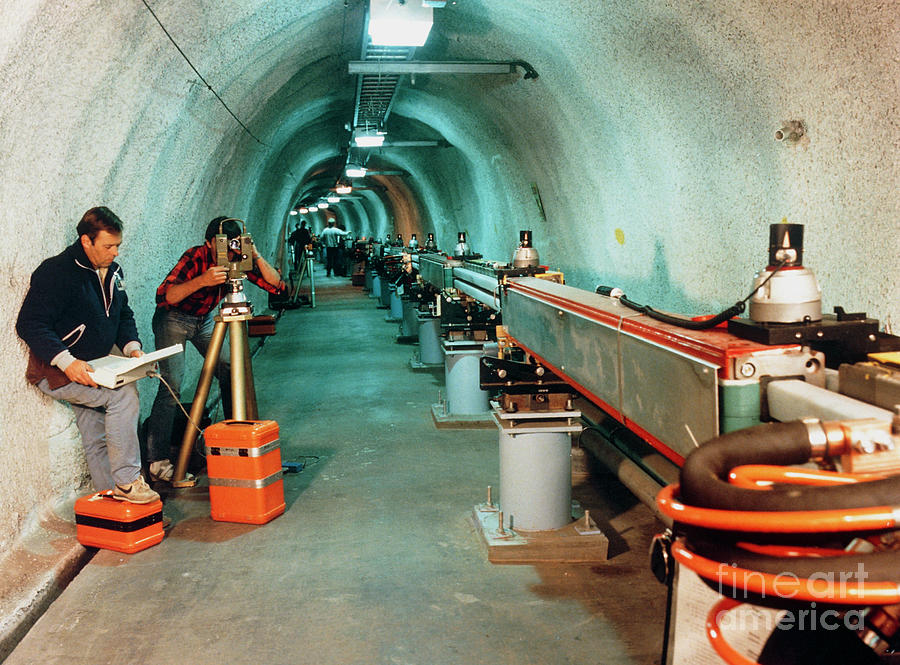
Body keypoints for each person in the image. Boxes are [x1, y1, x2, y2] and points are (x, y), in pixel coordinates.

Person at [16, 207, 159, 503]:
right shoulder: (56, 272)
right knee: (122, 397)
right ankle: (128, 481)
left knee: (95, 433)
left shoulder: (115, 272)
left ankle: (112, 502)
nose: (115, 253)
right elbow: (29, 323)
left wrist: (132, 347)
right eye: (108, 246)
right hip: (55, 371)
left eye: (118, 245)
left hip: (96, 365)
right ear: (86, 241)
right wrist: (67, 363)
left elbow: (123, 315)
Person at [143, 217, 286, 483]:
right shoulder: (194, 256)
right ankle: (157, 461)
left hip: (205, 319)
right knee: (172, 384)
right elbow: (165, 296)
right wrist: (202, 281)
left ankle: (235, 439)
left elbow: (276, 286)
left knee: (230, 369)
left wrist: (254, 255)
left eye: (233, 248)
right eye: (221, 247)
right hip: (174, 318)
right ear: (209, 243)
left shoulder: (237, 256)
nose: (228, 255)